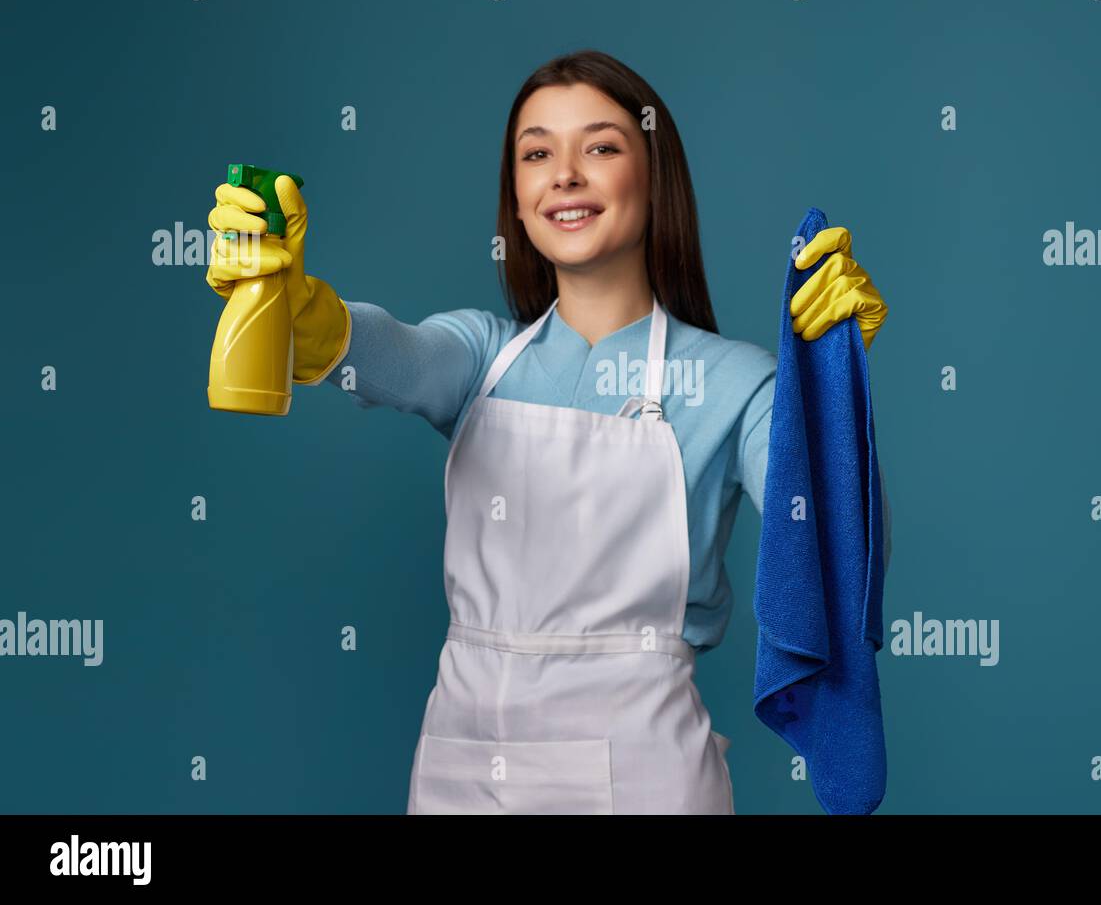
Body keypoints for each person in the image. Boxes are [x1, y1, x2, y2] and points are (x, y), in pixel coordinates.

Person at [205, 49, 889, 814]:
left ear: (654, 178)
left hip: (643, 774)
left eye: (599, 146)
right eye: (537, 154)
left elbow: (835, 544)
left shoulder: (736, 384)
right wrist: (296, 303)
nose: (564, 174)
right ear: (519, 201)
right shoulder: (477, 358)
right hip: (463, 764)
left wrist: (834, 382)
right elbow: (378, 353)